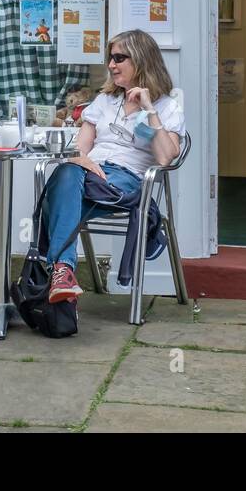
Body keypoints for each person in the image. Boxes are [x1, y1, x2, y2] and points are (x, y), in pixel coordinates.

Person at [39, 29, 185, 305]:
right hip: (89, 175)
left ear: (141, 61)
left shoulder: (166, 107)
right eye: (110, 58)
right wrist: (81, 160)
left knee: (55, 198)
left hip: (127, 182)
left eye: (119, 58)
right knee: (66, 172)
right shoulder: (105, 101)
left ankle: (58, 270)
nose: (110, 65)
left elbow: (166, 158)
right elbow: (80, 148)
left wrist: (148, 108)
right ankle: (63, 272)